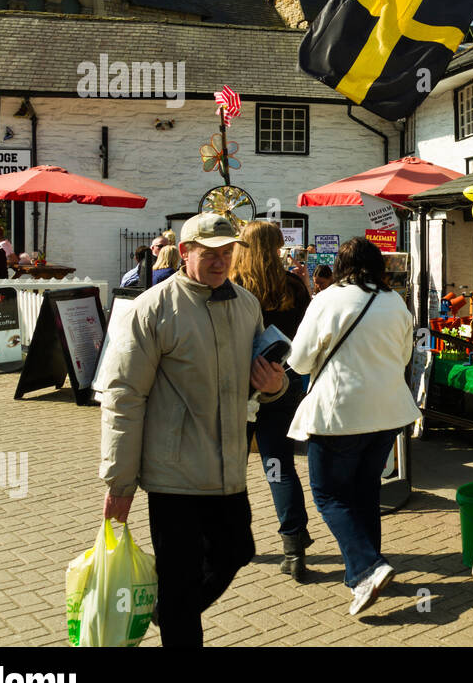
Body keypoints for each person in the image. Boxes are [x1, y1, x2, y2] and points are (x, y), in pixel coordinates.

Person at [98, 213, 287, 647]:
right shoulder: (153, 308)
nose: (221, 262)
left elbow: (262, 384)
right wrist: (119, 483)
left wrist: (275, 387)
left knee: (237, 551)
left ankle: (170, 610)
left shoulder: (246, 304)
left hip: (229, 467)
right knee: (181, 580)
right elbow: (124, 397)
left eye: (227, 253)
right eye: (210, 253)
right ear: (185, 253)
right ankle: (177, 611)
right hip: (174, 473)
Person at [287, 237, 420, 615]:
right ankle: (365, 572)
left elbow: (298, 361)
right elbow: (404, 356)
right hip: (387, 413)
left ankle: (367, 567)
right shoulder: (396, 303)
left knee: (329, 495)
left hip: (339, 413)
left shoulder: (327, 300)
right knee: (364, 492)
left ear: (342, 265)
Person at [229, 221, 315, 581]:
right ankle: (293, 547)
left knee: (230, 468)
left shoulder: (232, 288)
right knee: (277, 463)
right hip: (284, 382)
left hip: (238, 386)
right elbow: (309, 335)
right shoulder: (293, 286)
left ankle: (237, 541)